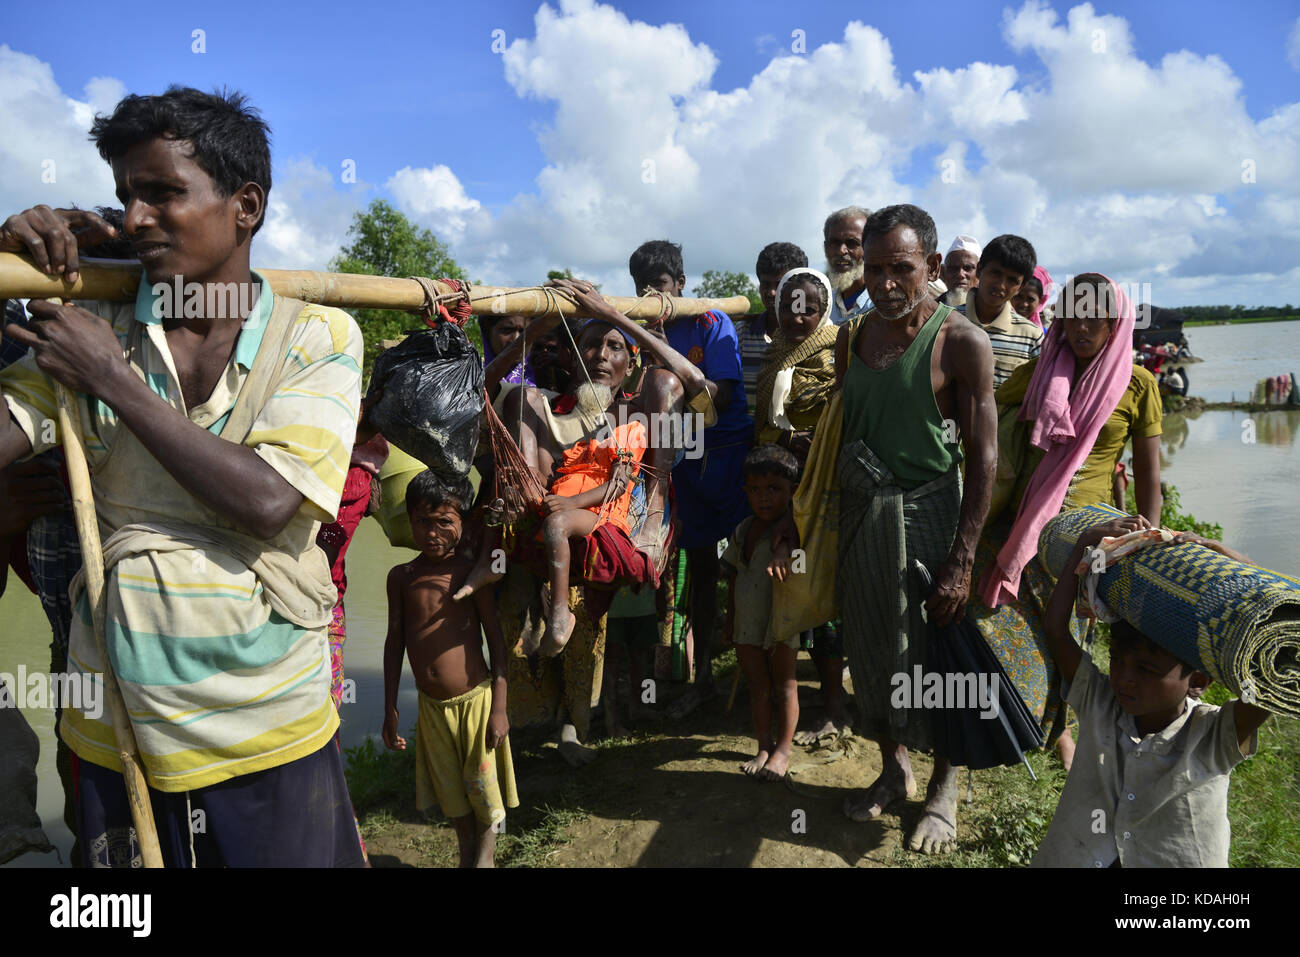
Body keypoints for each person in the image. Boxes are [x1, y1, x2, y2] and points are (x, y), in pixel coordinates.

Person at [0, 87, 366, 866]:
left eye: (163, 192)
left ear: (246, 206)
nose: (135, 219)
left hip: (265, 731)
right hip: (114, 731)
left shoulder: (317, 334)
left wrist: (115, 382)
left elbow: (267, 500)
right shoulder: (93, 331)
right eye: (127, 194)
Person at [491, 278, 712, 763]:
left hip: (615, 529)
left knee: (667, 380)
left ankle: (575, 726)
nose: (600, 355)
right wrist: (536, 332)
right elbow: (486, 387)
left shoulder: (639, 406)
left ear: (628, 364)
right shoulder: (545, 405)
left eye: (614, 348)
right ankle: (528, 729)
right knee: (516, 397)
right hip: (545, 526)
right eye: (590, 344)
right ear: (573, 356)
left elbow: (695, 385)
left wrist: (612, 315)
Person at [834, 204, 996, 854]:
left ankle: (944, 785)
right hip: (863, 520)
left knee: (938, 656)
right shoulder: (852, 337)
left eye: (901, 268)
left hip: (930, 516)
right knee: (873, 651)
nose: (884, 282)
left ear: (932, 267)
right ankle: (894, 767)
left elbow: (983, 456)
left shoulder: (961, 341)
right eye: (874, 268)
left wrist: (963, 558)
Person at [970, 273, 1162, 770]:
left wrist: (1150, 541)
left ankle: (1065, 730)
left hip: (1091, 531)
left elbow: (1148, 480)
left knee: (1071, 638)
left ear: (1115, 321)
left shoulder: (1138, 385)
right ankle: (1026, 727)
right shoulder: (1035, 375)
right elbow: (979, 416)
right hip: (1025, 526)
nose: (1081, 327)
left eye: (1094, 317)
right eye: (1071, 314)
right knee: (1009, 632)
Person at [1030, 514, 1268, 867]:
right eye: (1117, 660)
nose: (1124, 678)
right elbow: (1055, 629)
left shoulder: (1215, 736)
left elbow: (1274, 665)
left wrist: (1223, 555)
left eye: (1146, 670)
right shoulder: (1100, 703)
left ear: (1199, 681)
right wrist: (1087, 544)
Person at [628, 241, 752, 720]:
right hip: (671, 456)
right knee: (681, 570)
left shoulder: (708, 322)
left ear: (679, 285)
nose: (651, 295)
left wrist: (663, 356)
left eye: (659, 285)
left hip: (718, 453)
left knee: (733, 567)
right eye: (641, 287)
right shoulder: (633, 328)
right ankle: (681, 678)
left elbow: (714, 399)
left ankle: (743, 676)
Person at [382, 470, 516, 868]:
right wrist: (390, 707)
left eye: (444, 521)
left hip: (476, 703)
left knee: (484, 785)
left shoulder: (472, 574)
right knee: (452, 791)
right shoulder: (401, 578)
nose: (432, 532)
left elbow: (496, 643)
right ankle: (465, 852)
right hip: (432, 709)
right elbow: (394, 644)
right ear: (409, 521)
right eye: (423, 521)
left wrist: (500, 707)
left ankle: (486, 856)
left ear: (462, 522)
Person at [751, 268, 850, 741]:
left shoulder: (838, 352)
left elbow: (842, 417)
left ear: (823, 309)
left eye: (808, 307)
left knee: (825, 598)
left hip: (824, 493)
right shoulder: (774, 357)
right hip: (779, 491)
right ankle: (779, 703)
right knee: (788, 591)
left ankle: (834, 704)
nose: (797, 316)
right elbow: (765, 427)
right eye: (789, 306)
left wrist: (807, 441)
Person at [723, 444, 801, 782]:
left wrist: (787, 546)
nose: (764, 498)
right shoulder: (742, 530)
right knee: (757, 686)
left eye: (774, 489)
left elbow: (803, 570)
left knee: (785, 685)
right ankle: (764, 746)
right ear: (745, 492)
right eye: (755, 490)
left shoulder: (796, 534)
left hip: (781, 625)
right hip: (746, 624)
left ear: (792, 492)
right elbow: (733, 578)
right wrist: (729, 621)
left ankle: (783, 751)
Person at [955, 234, 1043, 388]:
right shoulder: (946, 321)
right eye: (996, 273)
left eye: (1012, 280)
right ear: (980, 269)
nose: (1001, 285)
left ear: (1021, 287)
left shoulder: (1032, 337)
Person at [740, 242, 808, 416]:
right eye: (765, 284)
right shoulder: (740, 334)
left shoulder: (814, 337)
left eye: (779, 285)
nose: (771, 292)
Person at [823, 206, 872, 325]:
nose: (841, 251)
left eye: (852, 243)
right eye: (834, 243)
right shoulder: (821, 306)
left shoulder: (884, 304)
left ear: (871, 247)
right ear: (825, 247)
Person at [938, 235, 980, 307]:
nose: (960, 274)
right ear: (945, 273)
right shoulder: (931, 311)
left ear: (980, 273)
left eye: (967, 268)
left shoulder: (990, 312)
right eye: (953, 268)